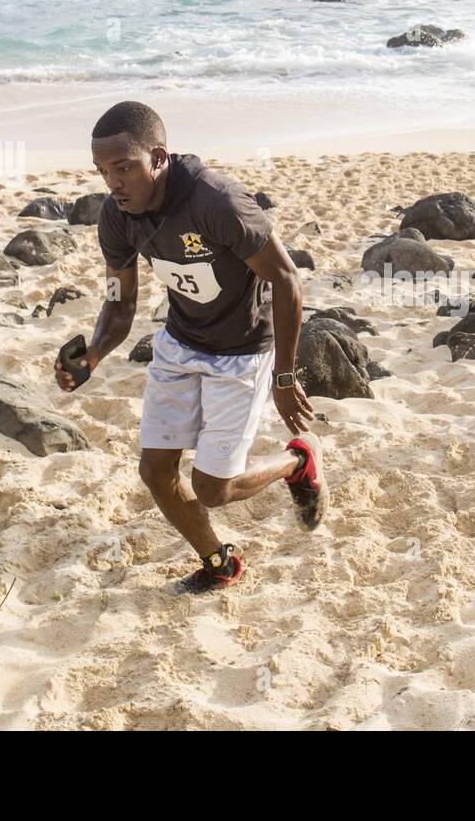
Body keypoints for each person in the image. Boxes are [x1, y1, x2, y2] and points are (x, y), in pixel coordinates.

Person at [54, 101, 329, 594]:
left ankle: (296, 463)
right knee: (156, 471)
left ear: (158, 158)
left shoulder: (215, 201)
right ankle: (220, 562)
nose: (113, 183)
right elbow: (120, 301)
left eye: (124, 168)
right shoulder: (117, 217)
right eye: (103, 172)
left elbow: (287, 280)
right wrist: (93, 354)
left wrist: (284, 378)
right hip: (180, 344)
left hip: (244, 351)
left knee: (213, 488)